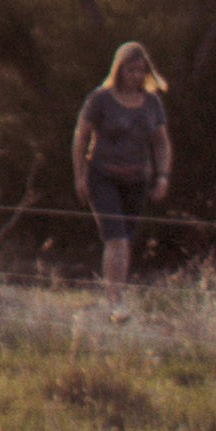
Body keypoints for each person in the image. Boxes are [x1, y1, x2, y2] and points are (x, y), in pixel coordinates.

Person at [73, 40, 176, 298]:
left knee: (125, 241)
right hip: (103, 176)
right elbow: (81, 137)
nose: (136, 76)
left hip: (137, 179)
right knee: (116, 238)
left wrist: (162, 176)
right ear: (119, 70)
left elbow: (161, 142)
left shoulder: (152, 103)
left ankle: (116, 295)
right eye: (130, 70)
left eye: (141, 70)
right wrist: (80, 175)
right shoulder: (100, 100)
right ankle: (115, 301)